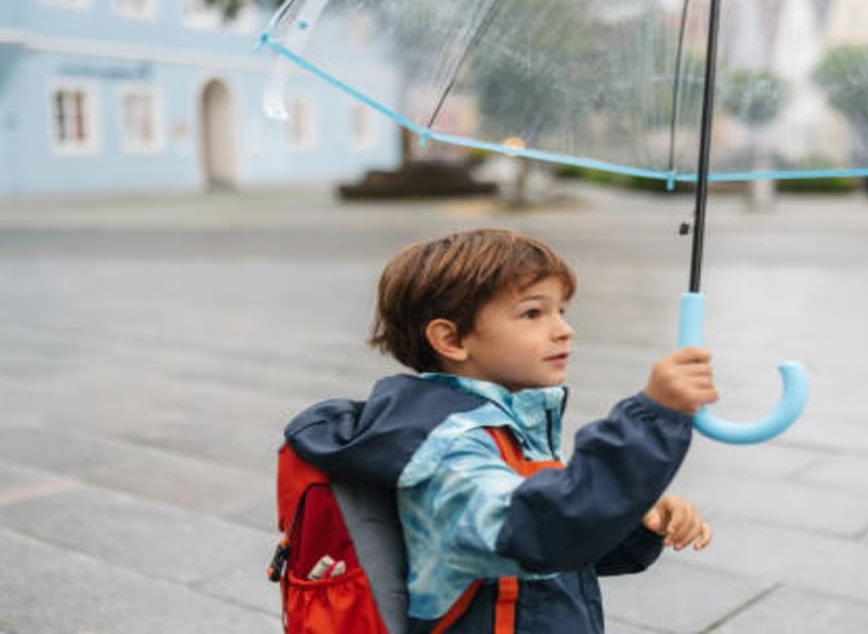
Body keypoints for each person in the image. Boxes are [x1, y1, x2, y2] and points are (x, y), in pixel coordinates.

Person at [285, 228, 717, 633]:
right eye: (532, 313)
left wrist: (634, 519)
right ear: (451, 341)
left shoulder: (506, 422)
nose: (563, 329)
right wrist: (651, 418)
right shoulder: (446, 448)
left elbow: (553, 560)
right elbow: (534, 535)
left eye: (561, 310)